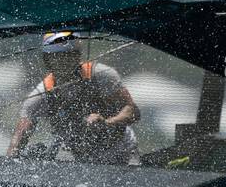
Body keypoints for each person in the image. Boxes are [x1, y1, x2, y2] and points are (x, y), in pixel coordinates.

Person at [7, 32, 141, 166]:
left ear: (78, 56)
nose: (64, 61)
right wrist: (8, 166)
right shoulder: (41, 94)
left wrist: (106, 123)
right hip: (83, 160)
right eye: (57, 57)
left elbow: (134, 112)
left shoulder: (101, 75)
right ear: (47, 60)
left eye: (69, 55)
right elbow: (21, 133)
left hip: (122, 150)